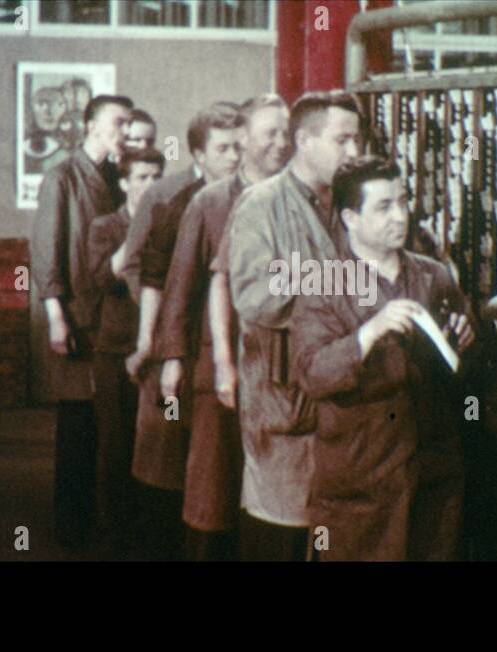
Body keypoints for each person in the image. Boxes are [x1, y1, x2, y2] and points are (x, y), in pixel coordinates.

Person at [290, 156, 474, 561]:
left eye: (403, 202)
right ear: (350, 218)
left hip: (431, 478)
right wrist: (367, 334)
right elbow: (312, 374)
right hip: (361, 483)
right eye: (384, 206)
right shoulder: (324, 284)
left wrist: (465, 340)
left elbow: (467, 379)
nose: (400, 216)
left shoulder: (434, 276)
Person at [218, 90, 363, 561]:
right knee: (279, 532)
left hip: (342, 400)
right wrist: (339, 285)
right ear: (305, 140)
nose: (353, 153)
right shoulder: (259, 206)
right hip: (283, 404)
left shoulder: (350, 206)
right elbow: (255, 296)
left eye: (356, 141)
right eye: (343, 140)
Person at [158, 93, 290, 561]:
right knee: (211, 492)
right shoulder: (209, 202)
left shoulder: (290, 201)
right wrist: (173, 357)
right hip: (216, 370)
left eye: (285, 133)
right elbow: (181, 285)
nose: (280, 142)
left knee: (266, 498)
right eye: (270, 133)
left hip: (275, 373)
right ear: (246, 139)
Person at [127, 101, 244, 560]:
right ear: (198, 153)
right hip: (178, 357)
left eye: (239, 145)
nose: (233, 156)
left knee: (210, 473)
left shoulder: (247, 196)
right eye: (223, 148)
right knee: (168, 460)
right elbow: (155, 281)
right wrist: (156, 350)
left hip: (217, 354)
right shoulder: (177, 202)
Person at [30, 93, 133, 548]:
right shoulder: (62, 177)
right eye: (118, 123)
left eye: (128, 124)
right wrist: (56, 316)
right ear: (91, 125)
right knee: (76, 425)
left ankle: (99, 519)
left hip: (109, 318)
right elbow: (45, 249)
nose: (124, 132)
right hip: (75, 316)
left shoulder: (115, 177)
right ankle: (69, 528)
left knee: (105, 424)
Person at [86, 147, 164, 559]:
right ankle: (114, 541)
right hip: (115, 350)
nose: (149, 186)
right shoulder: (106, 226)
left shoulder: (168, 222)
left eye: (155, 178)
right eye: (141, 178)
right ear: (124, 183)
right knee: (116, 447)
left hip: (154, 351)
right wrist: (138, 233)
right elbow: (103, 277)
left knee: (151, 446)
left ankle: (145, 539)